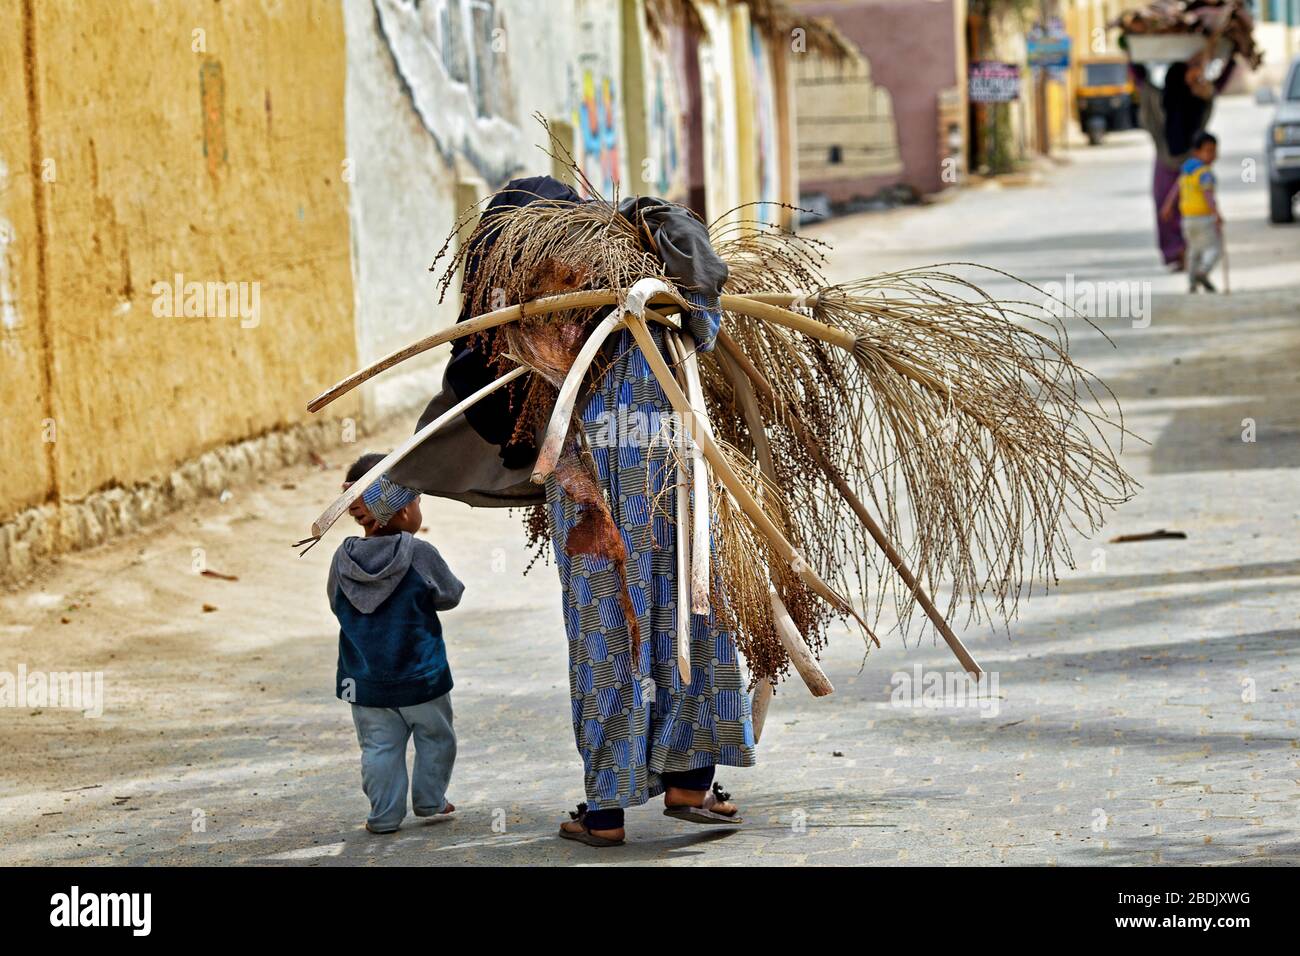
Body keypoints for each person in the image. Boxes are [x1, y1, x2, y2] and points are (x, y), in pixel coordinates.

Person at [360, 176, 752, 847]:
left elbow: (465, 417)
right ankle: (691, 780)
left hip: (593, 519)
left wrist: (384, 496)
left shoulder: (525, 326)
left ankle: (606, 811)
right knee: (689, 619)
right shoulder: (655, 290)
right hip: (672, 498)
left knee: (607, 646)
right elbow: (706, 323)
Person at [328, 453, 465, 834]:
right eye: (419, 500)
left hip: (366, 682)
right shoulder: (420, 554)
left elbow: (335, 603)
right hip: (423, 680)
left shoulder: (342, 559)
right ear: (404, 510)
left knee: (378, 749)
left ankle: (384, 816)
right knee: (436, 739)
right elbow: (450, 595)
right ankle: (430, 800)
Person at [1134, 56, 1231, 269]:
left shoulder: (1199, 100)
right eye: (1189, 74)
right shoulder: (1160, 101)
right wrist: (1132, 57)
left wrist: (1231, 60)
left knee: (1193, 208)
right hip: (1165, 160)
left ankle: (1190, 254)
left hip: (1190, 162)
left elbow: (1217, 87)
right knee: (1165, 208)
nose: (1193, 78)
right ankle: (1175, 254)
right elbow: (1142, 82)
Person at [1162, 131, 1222, 292]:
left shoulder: (1186, 171)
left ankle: (1191, 282)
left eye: (1214, 151)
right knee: (1214, 249)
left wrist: (1167, 206)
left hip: (1187, 219)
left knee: (1194, 251)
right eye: (1209, 151)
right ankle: (1203, 271)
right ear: (1197, 152)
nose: (1213, 155)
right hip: (1204, 217)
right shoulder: (1204, 173)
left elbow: (1175, 189)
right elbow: (1208, 195)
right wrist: (1217, 214)